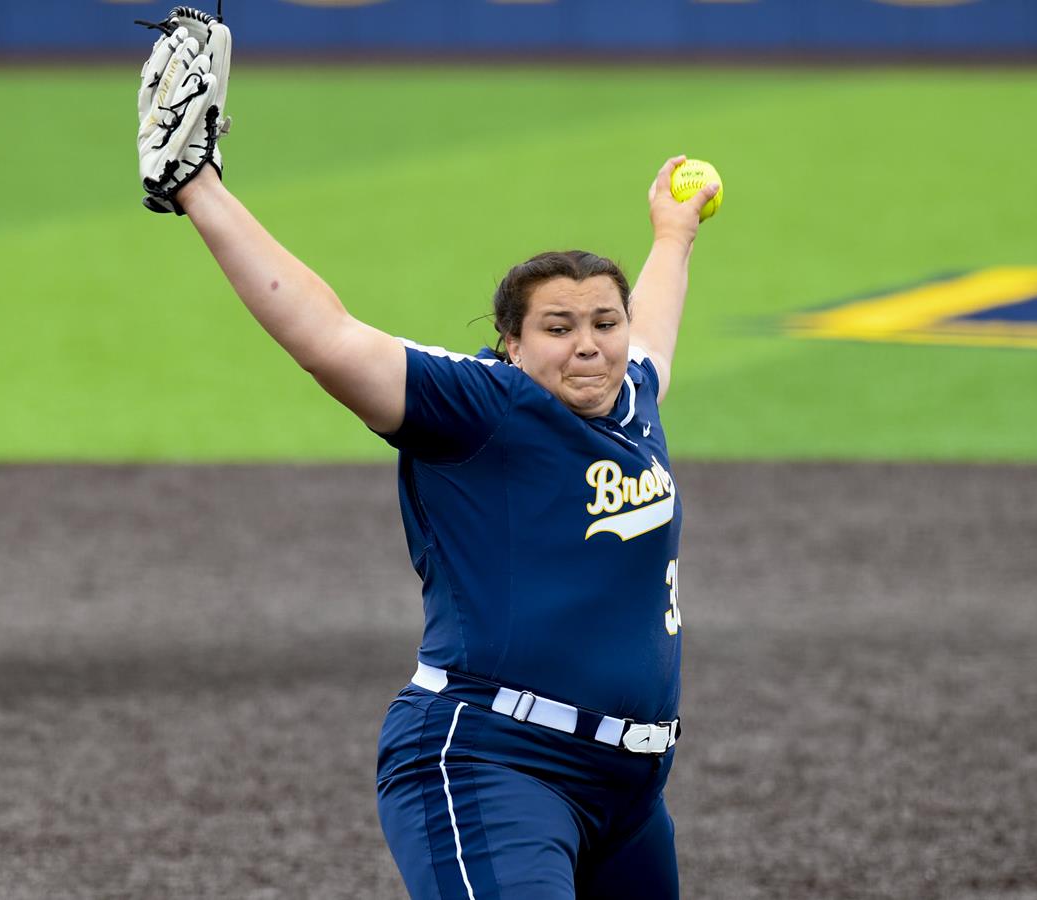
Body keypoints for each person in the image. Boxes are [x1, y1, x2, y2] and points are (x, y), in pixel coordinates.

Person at [136, 12, 718, 897]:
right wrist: (199, 189)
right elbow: (328, 337)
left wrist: (673, 233)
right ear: (512, 345)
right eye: (558, 328)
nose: (590, 345)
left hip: (633, 792)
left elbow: (658, 325)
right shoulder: (485, 407)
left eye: (605, 322)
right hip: (492, 762)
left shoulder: (633, 395)